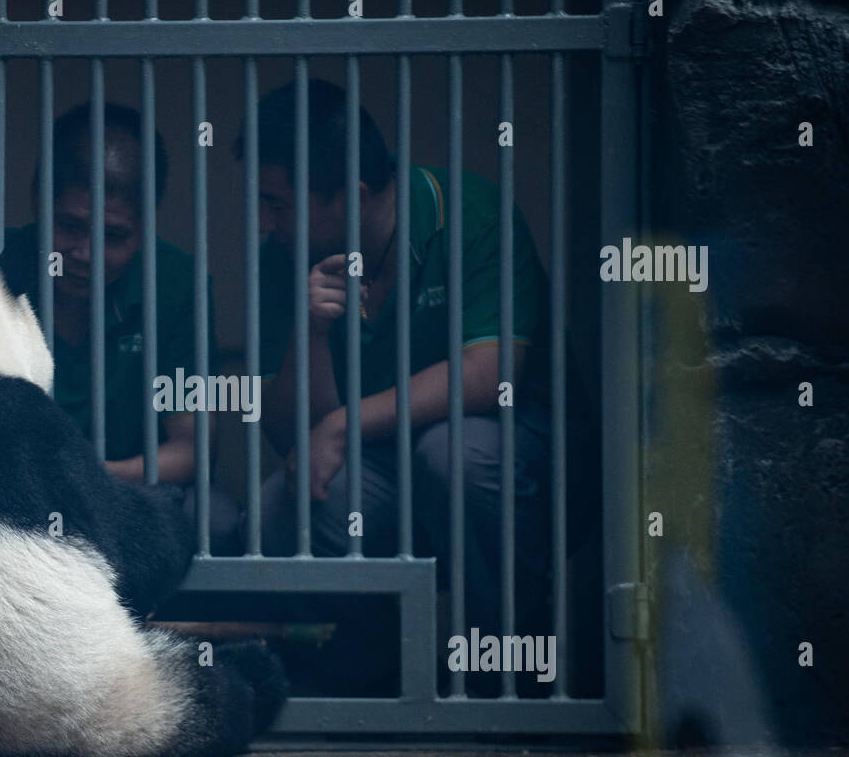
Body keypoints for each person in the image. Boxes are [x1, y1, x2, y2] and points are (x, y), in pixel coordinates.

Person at [234, 79, 598, 694]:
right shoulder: (286, 253)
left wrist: (343, 423)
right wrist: (311, 334)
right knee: (280, 506)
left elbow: (491, 373)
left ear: (350, 198)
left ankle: (509, 681)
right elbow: (294, 440)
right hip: (390, 474)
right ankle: (373, 687)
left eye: (276, 203)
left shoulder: (469, 210)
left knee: (452, 452)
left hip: (527, 465)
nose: (264, 221)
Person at [0, 102, 242, 556]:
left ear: (147, 226)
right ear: (36, 204)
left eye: (113, 236)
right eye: (68, 226)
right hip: (17, 495)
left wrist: (92, 478)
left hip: (130, 489)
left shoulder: (176, 284)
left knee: (216, 521)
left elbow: (192, 449)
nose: (86, 252)